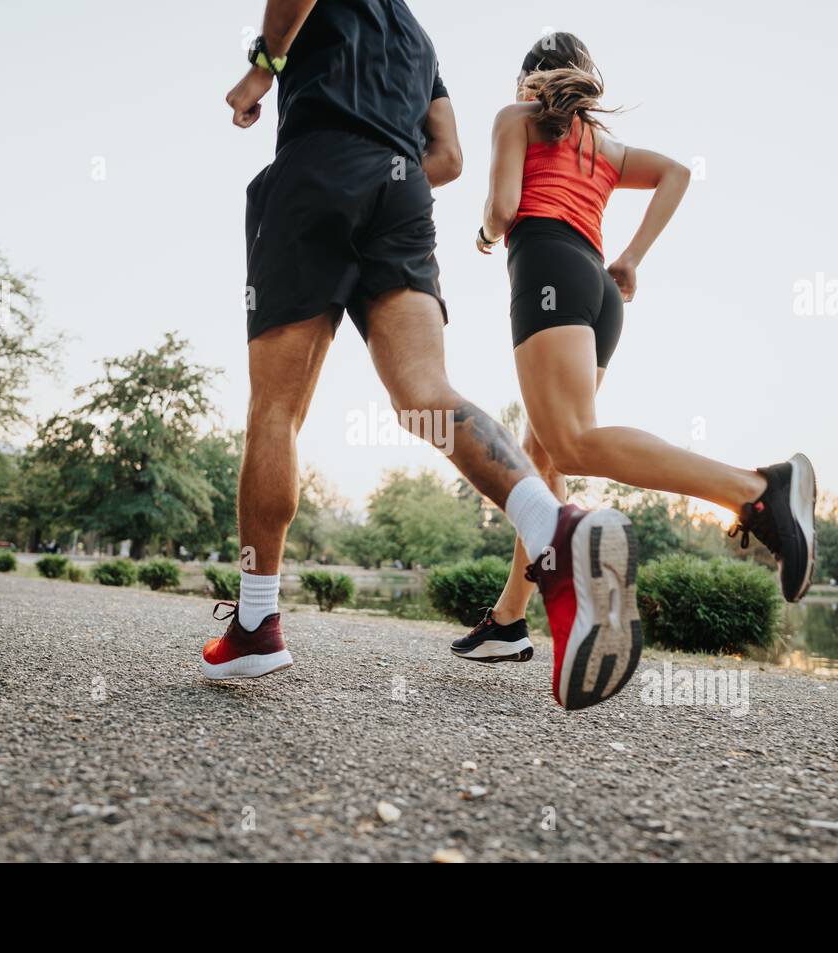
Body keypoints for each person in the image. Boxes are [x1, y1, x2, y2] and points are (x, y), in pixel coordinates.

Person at [206, 1, 640, 711]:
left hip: (317, 172)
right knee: (425, 395)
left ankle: (257, 625)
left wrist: (264, 67)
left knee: (276, 409)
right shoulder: (418, 39)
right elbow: (450, 158)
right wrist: (385, 176)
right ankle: (553, 524)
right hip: (403, 192)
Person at [451, 32, 816, 665]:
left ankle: (757, 490)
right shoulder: (606, 146)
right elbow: (676, 172)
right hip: (598, 288)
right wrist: (630, 258)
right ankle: (511, 617)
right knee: (544, 452)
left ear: (526, 82)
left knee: (568, 442)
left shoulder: (517, 119)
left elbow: (505, 208)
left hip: (547, 269)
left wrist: (482, 235)